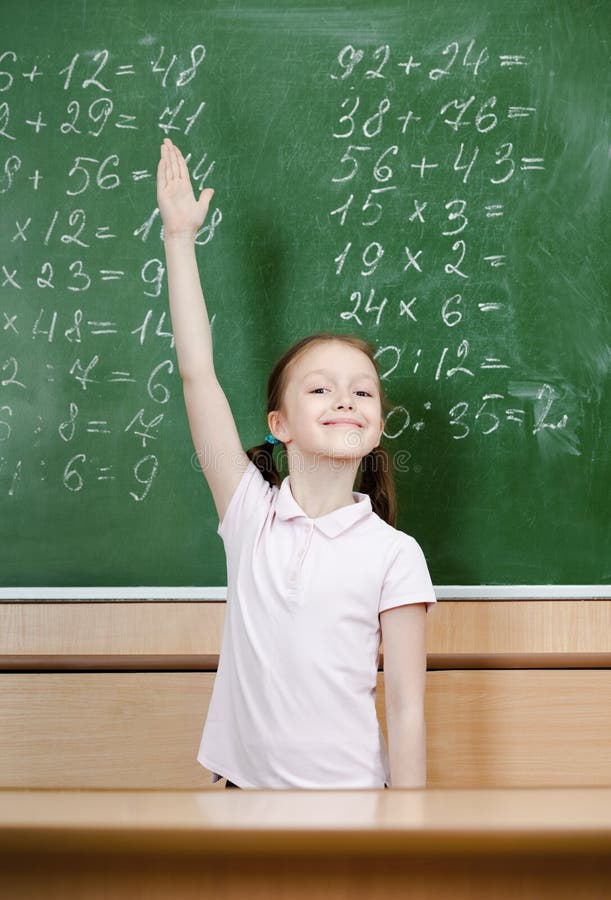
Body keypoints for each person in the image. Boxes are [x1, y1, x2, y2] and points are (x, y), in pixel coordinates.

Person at [157, 137, 436, 789]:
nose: (344, 398)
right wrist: (177, 240)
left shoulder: (395, 555)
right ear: (277, 426)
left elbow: (406, 707)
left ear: (376, 428)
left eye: (361, 390)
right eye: (319, 388)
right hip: (239, 803)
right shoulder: (249, 512)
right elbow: (198, 375)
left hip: (351, 811)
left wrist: (416, 837)